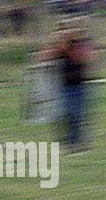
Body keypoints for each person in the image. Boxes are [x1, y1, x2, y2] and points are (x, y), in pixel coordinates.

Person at [39, 20, 95, 152]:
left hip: (78, 86)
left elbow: (83, 59)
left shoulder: (79, 47)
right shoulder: (59, 48)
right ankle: (70, 141)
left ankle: (75, 142)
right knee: (65, 115)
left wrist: (66, 47)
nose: (66, 36)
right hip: (63, 86)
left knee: (76, 115)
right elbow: (44, 57)